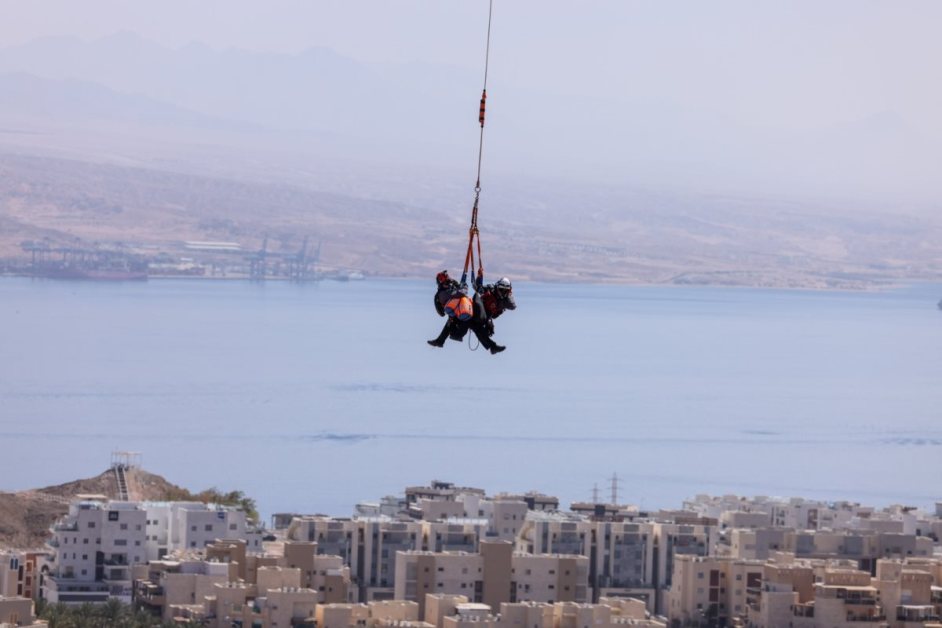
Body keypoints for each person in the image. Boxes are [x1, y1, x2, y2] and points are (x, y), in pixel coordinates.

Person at [427, 271, 511, 354]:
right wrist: (464, 286)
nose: (447, 282)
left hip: (459, 313)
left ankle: (440, 341)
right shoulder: (444, 293)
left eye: (447, 280)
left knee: (476, 326)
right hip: (459, 317)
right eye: (445, 281)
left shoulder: (448, 289)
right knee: (473, 325)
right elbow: (462, 292)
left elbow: (461, 292)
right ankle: (492, 347)